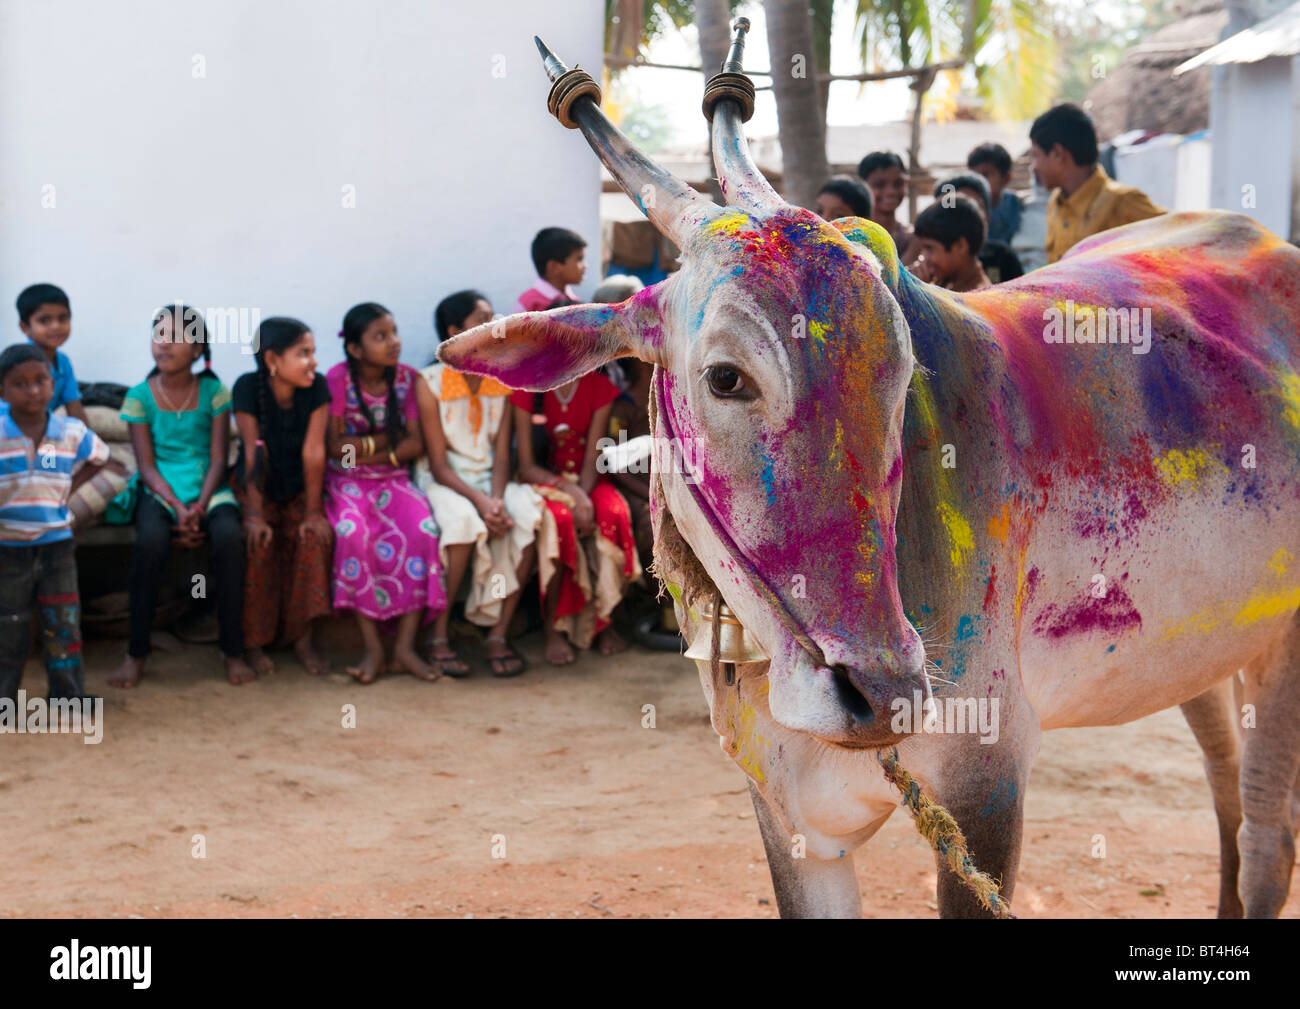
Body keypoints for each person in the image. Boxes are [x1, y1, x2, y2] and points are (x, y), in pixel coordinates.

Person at [112, 305, 252, 688]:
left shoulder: (214, 392)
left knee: (228, 540)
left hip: (210, 489)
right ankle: (136, 652)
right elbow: (146, 465)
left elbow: (220, 457)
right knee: (151, 542)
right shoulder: (140, 396)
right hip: (162, 492)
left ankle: (233, 650)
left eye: (176, 336)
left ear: (197, 349)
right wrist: (176, 507)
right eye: (158, 335)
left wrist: (201, 507)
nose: (164, 344)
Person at [415, 290, 541, 678]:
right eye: (481, 317)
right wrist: (480, 504)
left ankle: (497, 635)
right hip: (446, 482)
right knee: (462, 526)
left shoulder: (500, 380)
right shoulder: (430, 382)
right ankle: (437, 636)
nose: (493, 324)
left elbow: (503, 456)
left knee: (526, 519)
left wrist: (497, 501)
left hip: (489, 482)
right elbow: (437, 465)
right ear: (455, 331)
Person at [324, 302, 446, 684]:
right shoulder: (337, 379)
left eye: (393, 332)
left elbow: (415, 446)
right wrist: (388, 445)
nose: (393, 342)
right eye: (380, 336)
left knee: (423, 530)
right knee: (352, 535)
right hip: (347, 481)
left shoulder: (409, 380)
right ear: (355, 349)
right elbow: (336, 450)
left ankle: (406, 648)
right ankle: (374, 648)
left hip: (393, 480)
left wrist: (368, 448)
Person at [0, 344, 112, 705]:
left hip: (57, 547)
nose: (33, 390)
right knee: (8, 628)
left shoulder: (72, 432)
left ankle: (68, 697)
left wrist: (70, 488)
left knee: (62, 625)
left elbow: (102, 458)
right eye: (20, 383)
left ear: (54, 384)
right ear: (3, 392)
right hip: (8, 548)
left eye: (40, 381)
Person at [510, 369, 640, 664]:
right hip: (544, 482)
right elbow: (527, 466)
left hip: (589, 479)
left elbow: (593, 458)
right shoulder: (527, 387)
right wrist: (573, 495)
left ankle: (604, 620)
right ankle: (552, 628)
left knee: (613, 514)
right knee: (560, 522)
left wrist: (583, 496)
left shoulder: (598, 387)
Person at [231, 317, 333, 678]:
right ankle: (255, 643)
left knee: (311, 540)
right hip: (256, 486)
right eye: (303, 353)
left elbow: (314, 450)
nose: (313, 362)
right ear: (273, 359)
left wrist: (312, 511)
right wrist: (255, 515)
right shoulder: (246, 387)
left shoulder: (317, 388)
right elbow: (251, 454)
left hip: (300, 489)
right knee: (259, 545)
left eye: (313, 352)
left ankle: (303, 638)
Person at [1030, 103, 1165, 263]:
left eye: (1036, 155)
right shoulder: (1055, 203)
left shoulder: (1124, 202)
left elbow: (1179, 242)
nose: (1034, 166)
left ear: (1058, 154)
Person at [12, 284, 88, 423]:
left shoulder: (63, 362)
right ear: (25, 327)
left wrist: (91, 442)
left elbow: (74, 407)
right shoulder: (19, 363)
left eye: (63, 318)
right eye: (44, 320)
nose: (56, 326)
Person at [933, 174, 1024, 284]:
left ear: (987, 216)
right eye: (956, 210)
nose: (965, 219)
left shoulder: (1002, 257)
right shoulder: (930, 265)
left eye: (974, 208)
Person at [911, 197, 992, 294]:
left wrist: (919, 293)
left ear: (960, 246)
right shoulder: (946, 282)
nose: (923, 257)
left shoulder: (976, 296)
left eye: (929, 248)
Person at [856, 151, 922, 267]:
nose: (891, 191)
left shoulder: (911, 237)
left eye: (898, 184)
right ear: (863, 187)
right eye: (879, 185)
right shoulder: (854, 237)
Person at [516, 227, 587, 313]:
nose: (585, 266)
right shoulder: (528, 304)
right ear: (554, 267)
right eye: (579, 259)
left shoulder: (574, 301)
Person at [966, 143, 1022, 246]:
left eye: (985, 175)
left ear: (1006, 179)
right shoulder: (967, 210)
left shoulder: (1015, 205)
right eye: (974, 176)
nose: (979, 182)